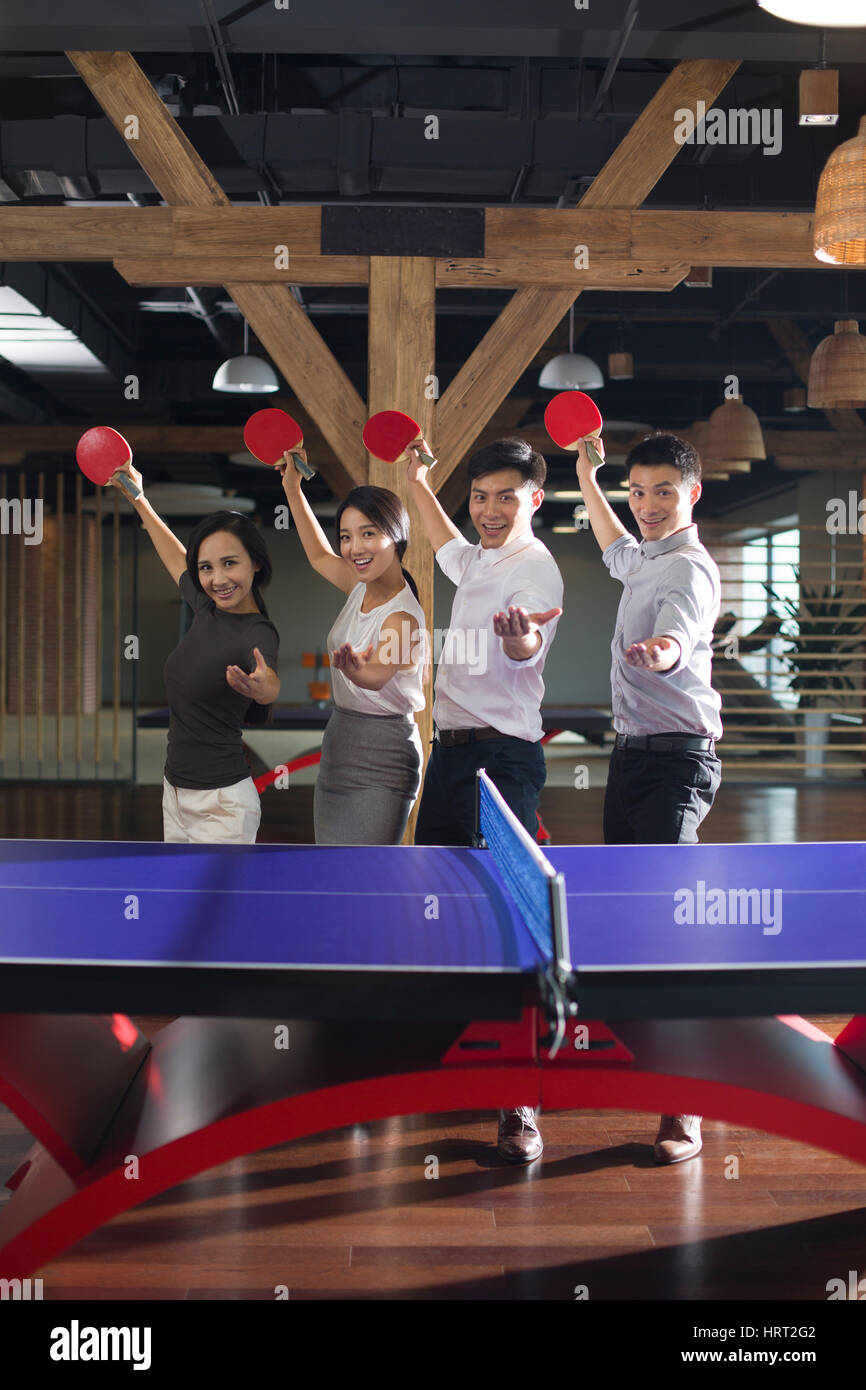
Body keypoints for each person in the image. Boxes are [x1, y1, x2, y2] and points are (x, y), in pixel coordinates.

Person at [406, 435, 563, 1163]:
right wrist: (416, 480)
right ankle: (450, 1054)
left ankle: (520, 1102)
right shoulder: (472, 558)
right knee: (441, 900)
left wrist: (522, 637)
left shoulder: (535, 568)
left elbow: (530, 639)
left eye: (508, 496)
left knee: (510, 917)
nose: (491, 509)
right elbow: (439, 533)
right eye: (481, 497)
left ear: (535, 499)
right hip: (450, 753)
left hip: (504, 756)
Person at [576, 429, 723, 1164]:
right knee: (637, 922)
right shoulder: (643, 556)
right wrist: (587, 477)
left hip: (678, 762)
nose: (648, 505)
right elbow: (611, 544)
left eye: (664, 490)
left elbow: (680, 638)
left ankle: (686, 1105)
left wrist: (658, 654)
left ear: (692, 492)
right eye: (638, 492)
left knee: (669, 929)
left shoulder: (688, 571)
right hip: (634, 759)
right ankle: (656, 1069)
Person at [110, 463, 280, 844]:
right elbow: (174, 555)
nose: (217, 579)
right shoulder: (206, 608)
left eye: (230, 563)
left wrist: (260, 686)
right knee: (183, 902)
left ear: (256, 562)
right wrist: (139, 499)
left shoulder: (257, 631)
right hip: (174, 793)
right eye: (206, 568)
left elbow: (270, 683)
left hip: (223, 806)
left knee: (219, 906)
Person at [279, 452, 425, 845]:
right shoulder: (358, 585)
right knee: (331, 869)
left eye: (368, 533)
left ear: (396, 535)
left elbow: (377, 676)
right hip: (340, 740)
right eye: (346, 536)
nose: (354, 547)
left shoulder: (402, 618)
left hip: (384, 755)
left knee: (367, 876)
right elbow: (315, 554)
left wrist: (356, 668)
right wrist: (292, 488)